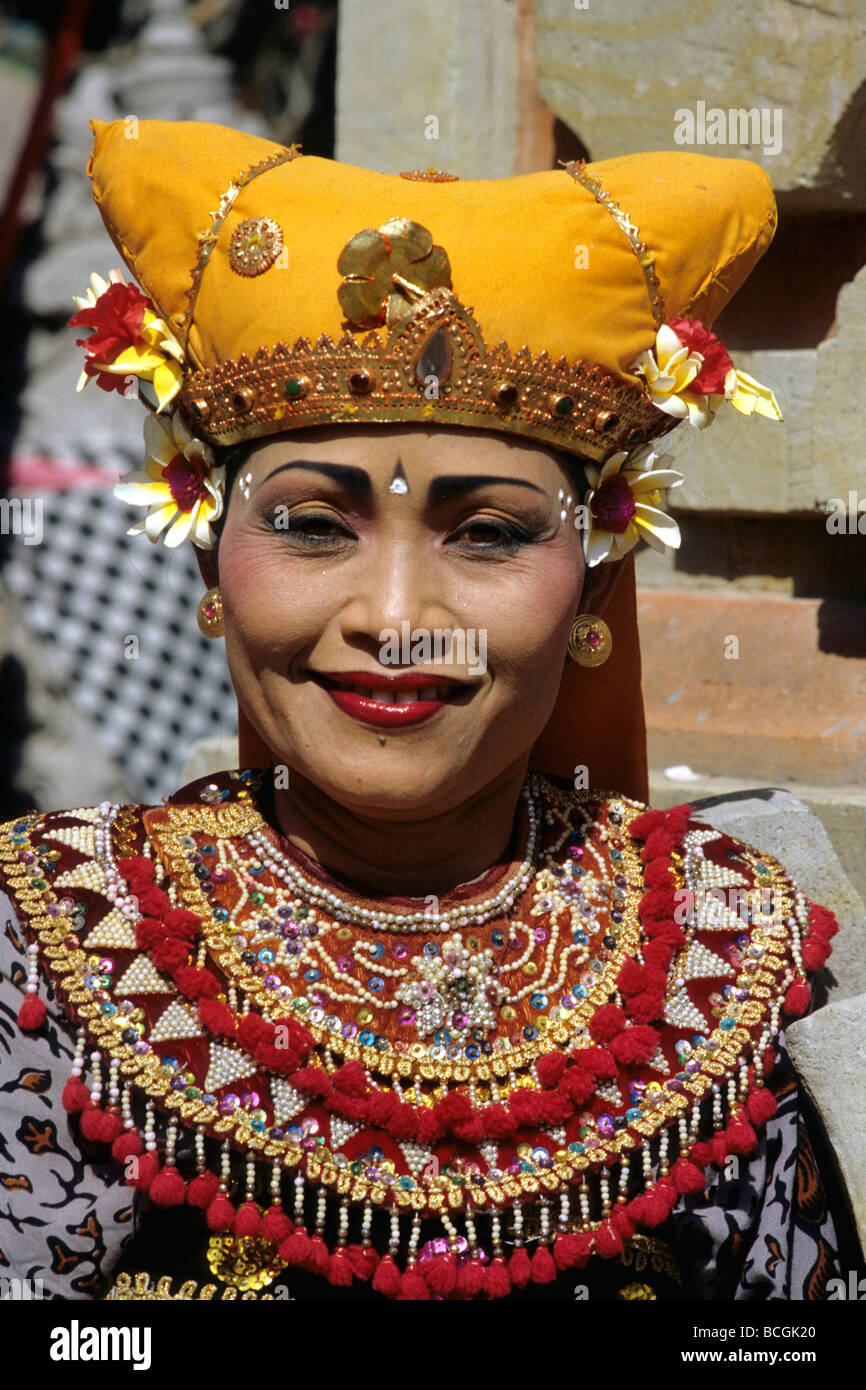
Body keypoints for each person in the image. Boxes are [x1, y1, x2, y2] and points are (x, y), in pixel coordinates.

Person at [0, 119, 853, 1302]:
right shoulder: (50, 944)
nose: (396, 616)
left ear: (596, 575)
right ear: (206, 558)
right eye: (310, 524)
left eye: (490, 531)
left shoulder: (715, 960)